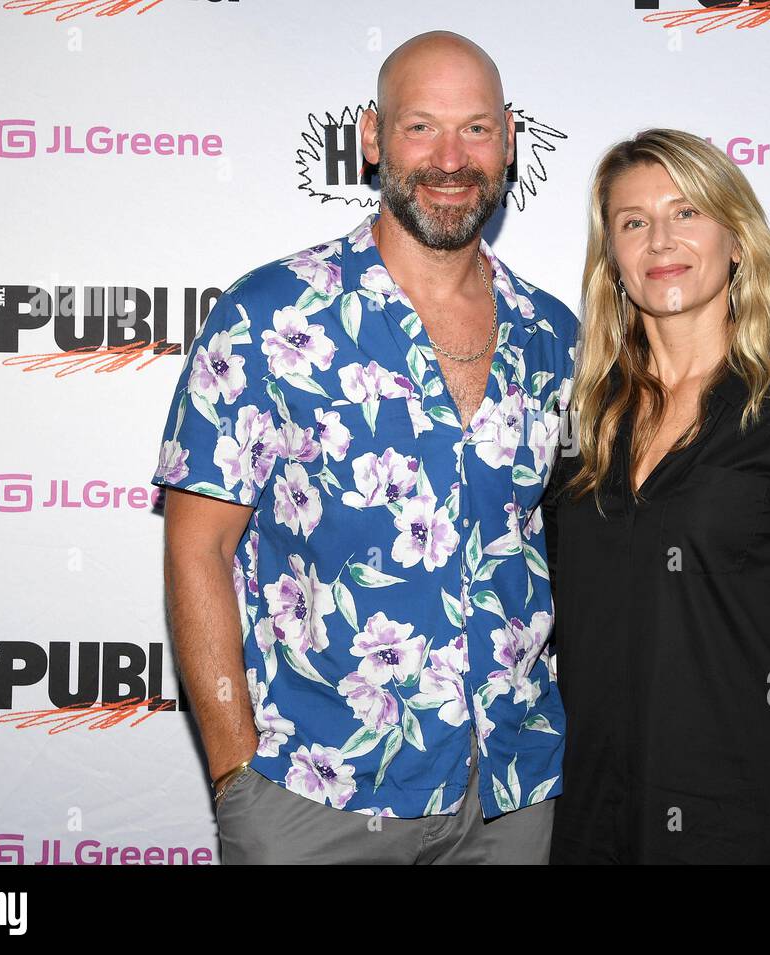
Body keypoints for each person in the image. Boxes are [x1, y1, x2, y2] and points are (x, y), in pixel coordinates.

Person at [149, 31, 577, 864]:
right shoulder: (269, 315)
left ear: (511, 139)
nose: (451, 158)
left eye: (477, 129)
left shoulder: (552, 334)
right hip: (315, 793)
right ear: (373, 138)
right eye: (421, 127)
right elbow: (196, 546)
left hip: (511, 795)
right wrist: (239, 775)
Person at [544, 128, 770, 865]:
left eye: (686, 212)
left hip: (737, 830)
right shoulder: (580, 426)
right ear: (613, 262)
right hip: (577, 827)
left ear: (738, 241)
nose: (660, 238)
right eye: (633, 222)